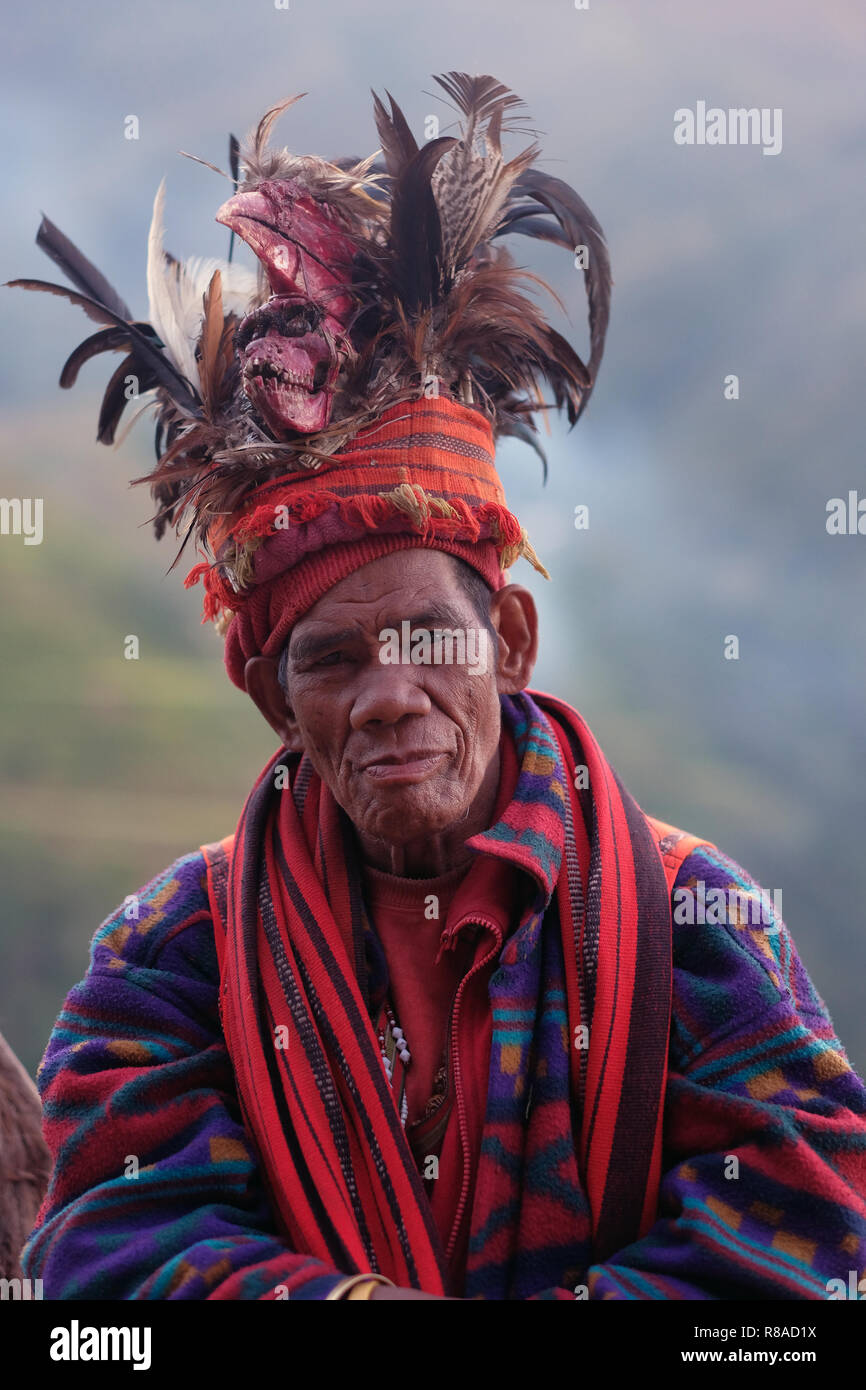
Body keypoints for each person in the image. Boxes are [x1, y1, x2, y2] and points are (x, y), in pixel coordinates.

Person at [13, 73, 866, 1302]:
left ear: (508, 641)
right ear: (272, 698)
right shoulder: (170, 955)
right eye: (331, 659)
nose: (386, 695)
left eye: (426, 637)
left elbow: (812, 1229)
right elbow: (102, 1260)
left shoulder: (696, 922)